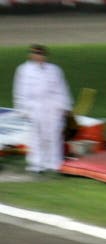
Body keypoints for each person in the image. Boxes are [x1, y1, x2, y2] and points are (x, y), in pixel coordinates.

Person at [12, 44, 73, 174]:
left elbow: (62, 88)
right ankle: (37, 164)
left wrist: (65, 106)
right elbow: (19, 90)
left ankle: (54, 162)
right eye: (37, 54)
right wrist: (22, 109)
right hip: (34, 106)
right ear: (31, 55)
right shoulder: (24, 70)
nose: (39, 57)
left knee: (54, 135)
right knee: (36, 136)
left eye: (42, 55)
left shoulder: (54, 70)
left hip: (52, 106)